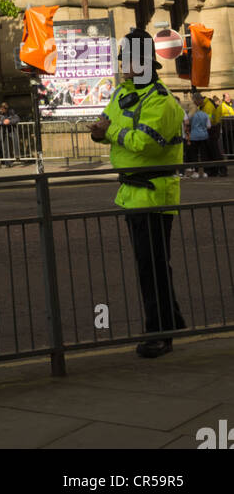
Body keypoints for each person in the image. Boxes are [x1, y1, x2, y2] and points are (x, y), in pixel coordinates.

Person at [90, 26, 185, 358]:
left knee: (153, 266)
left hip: (155, 193)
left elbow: (146, 144)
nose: (123, 66)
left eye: (128, 60)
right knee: (150, 264)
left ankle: (160, 332)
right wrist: (99, 132)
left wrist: (110, 130)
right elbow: (107, 125)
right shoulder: (122, 94)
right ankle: (171, 320)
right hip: (132, 193)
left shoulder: (161, 101)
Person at [191, 87, 227, 177]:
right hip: (207, 130)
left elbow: (209, 121)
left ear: (199, 100)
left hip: (212, 130)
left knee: (215, 151)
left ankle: (222, 170)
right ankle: (212, 171)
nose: (194, 104)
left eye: (195, 101)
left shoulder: (208, 106)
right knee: (208, 152)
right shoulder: (202, 106)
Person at [186, 95, 211, 178]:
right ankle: (205, 172)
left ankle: (196, 172)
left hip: (194, 136)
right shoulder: (205, 114)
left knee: (194, 155)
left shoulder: (192, 115)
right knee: (204, 154)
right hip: (204, 136)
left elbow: (187, 122)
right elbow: (208, 126)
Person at [0, 101, 21, 166]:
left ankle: (17, 156)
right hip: (2, 131)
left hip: (11, 130)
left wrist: (10, 121)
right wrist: (2, 122)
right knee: (5, 147)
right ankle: (7, 162)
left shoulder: (11, 112)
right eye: (2, 108)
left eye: (4, 109)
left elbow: (17, 119)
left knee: (15, 142)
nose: (3, 110)